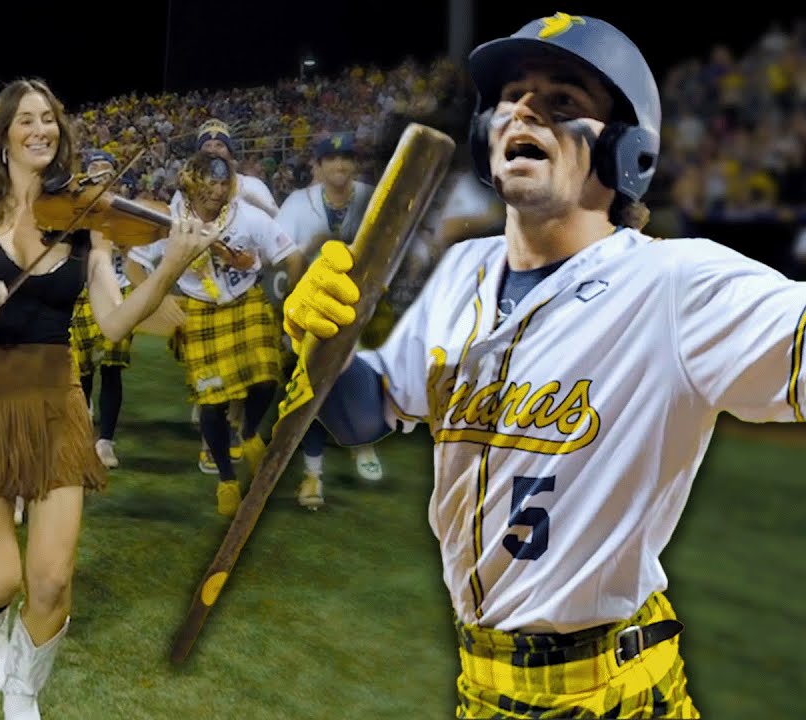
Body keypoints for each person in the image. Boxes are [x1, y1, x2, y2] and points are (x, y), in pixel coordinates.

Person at [281, 13, 806, 718]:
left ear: (625, 153)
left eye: (564, 102)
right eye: (511, 96)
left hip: (611, 687)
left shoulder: (674, 286)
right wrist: (323, 341)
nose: (525, 109)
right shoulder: (462, 271)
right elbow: (358, 415)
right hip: (481, 686)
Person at [0, 78, 214, 720]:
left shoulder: (88, 220)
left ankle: (23, 688)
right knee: (2, 579)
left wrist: (174, 263)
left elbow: (117, 322)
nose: (41, 129)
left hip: (55, 395)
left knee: (52, 581)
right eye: (27, 120)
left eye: (50, 120)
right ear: (4, 133)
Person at [130, 151, 300, 516]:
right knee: (211, 402)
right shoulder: (169, 223)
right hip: (199, 311)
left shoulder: (248, 217)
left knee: (267, 376)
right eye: (210, 181)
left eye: (224, 182)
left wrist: (292, 297)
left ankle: (250, 432)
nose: (217, 190)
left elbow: (290, 254)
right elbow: (134, 265)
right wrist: (158, 304)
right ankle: (226, 479)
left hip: (245, 300)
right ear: (191, 182)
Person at [274, 131, 385, 508]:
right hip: (311, 311)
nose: (341, 165)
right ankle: (312, 475)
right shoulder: (297, 203)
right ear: (317, 166)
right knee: (311, 393)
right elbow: (281, 254)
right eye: (332, 159)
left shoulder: (373, 198)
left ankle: (362, 446)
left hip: (363, 310)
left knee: (359, 382)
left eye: (347, 158)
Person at [67, 149, 135, 468]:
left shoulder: (127, 212)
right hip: (81, 295)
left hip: (117, 290)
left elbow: (137, 254)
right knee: (82, 371)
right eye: (93, 170)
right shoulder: (75, 212)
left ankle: (105, 440)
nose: (100, 175)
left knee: (112, 367)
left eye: (106, 171)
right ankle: (84, 427)